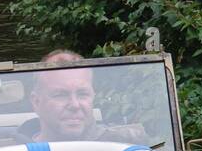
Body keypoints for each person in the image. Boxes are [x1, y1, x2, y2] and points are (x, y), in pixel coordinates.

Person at [15, 50, 149, 144]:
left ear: (93, 97)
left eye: (82, 94)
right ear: (36, 102)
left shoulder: (128, 145)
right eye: (61, 95)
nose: (74, 105)